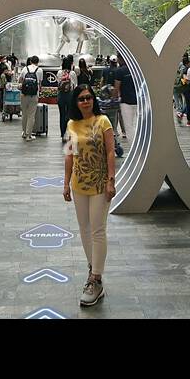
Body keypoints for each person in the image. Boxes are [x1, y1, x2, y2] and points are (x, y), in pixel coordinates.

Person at [63, 83, 115, 307]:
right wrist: (65, 183)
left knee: (97, 229)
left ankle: (96, 279)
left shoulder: (103, 121)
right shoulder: (71, 124)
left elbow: (111, 152)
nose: (86, 101)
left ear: (93, 99)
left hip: (99, 184)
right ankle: (93, 269)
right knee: (84, 229)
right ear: (76, 102)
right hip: (79, 184)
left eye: (89, 97)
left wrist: (111, 180)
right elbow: (69, 155)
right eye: (81, 98)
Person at [111, 57, 139, 150]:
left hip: (126, 102)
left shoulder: (120, 71)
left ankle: (134, 149)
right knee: (139, 125)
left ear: (120, 59)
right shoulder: (137, 69)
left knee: (129, 127)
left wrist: (113, 99)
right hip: (139, 101)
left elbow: (116, 88)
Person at [19, 55, 42, 140]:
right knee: (31, 115)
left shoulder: (25, 69)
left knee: (24, 114)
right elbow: (40, 83)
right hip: (34, 95)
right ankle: (28, 135)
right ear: (38, 62)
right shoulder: (39, 70)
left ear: (30, 61)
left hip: (24, 94)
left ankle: (24, 132)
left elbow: (20, 80)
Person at [56, 54, 77, 141]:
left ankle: (62, 134)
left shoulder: (59, 72)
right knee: (69, 114)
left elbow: (58, 83)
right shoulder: (72, 73)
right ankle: (68, 133)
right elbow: (75, 85)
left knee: (62, 114)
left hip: (61, 95)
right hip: (70, 95)